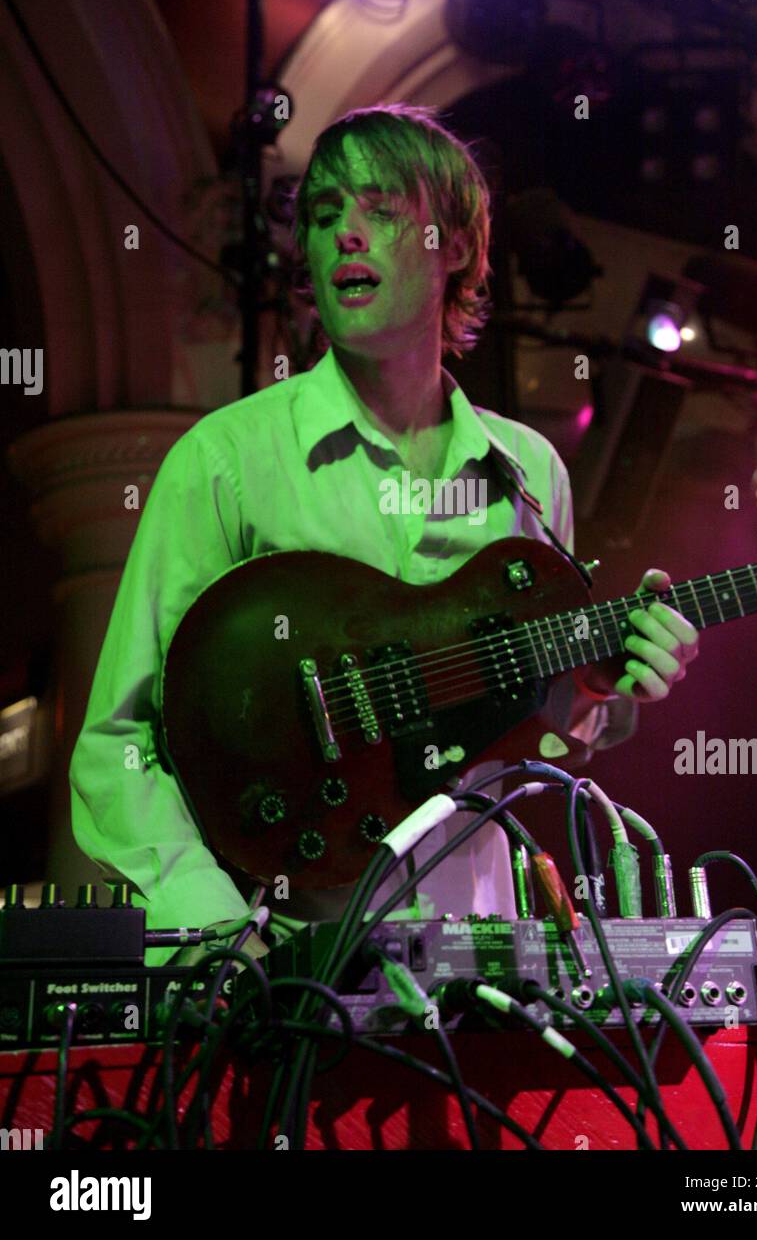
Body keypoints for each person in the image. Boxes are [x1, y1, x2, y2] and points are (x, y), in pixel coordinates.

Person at [69, 104, 699, 969]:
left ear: (457, 247)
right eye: (324, 217)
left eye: (380, 211)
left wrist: (605, 678)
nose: (343, 237)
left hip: (479, 966)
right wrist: (219, 939)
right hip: (283, 964)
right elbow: (120, 745)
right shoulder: (226, 460)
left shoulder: (530, 472)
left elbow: (535, 725)